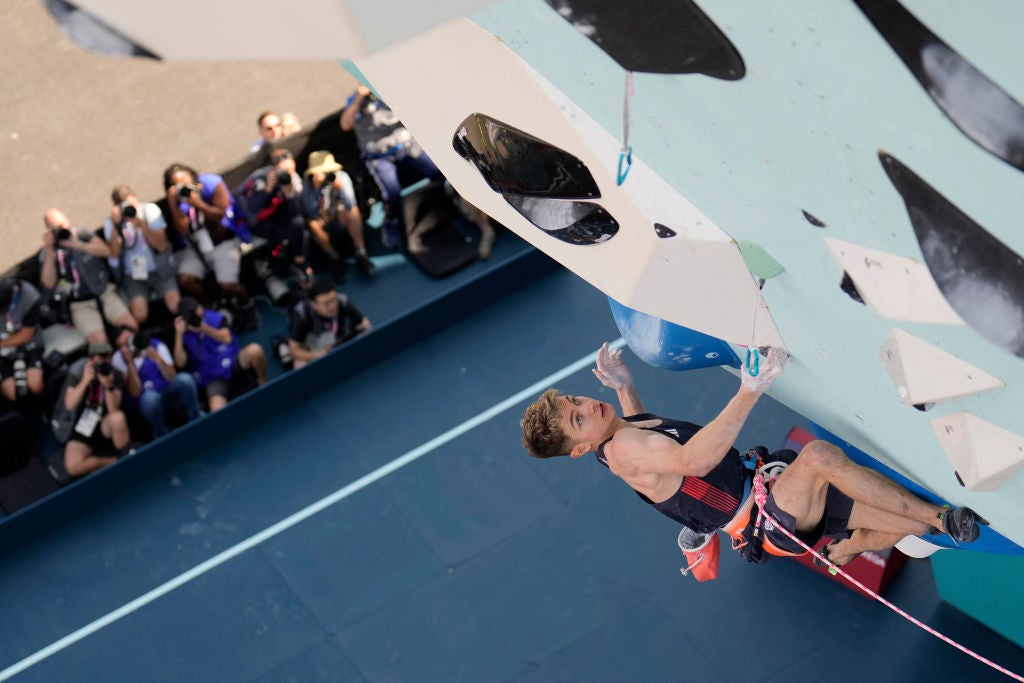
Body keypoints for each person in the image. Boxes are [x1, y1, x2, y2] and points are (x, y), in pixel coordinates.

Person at [520, 343, 987, 568]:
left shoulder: (617, 436)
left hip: (767, 490)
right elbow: (692, 463)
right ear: (580, 449)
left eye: (575, 401)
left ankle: (848, 546)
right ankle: (943, 517)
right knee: (821, 456)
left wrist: (626, 388)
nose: (586, 406)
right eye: (577, 419)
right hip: (767, 519)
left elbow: (651, 442)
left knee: (906, 526)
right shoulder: (619, 451)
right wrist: (750, 389)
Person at [339, 85, 443, 248]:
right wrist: (359, 97)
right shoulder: (358, 100)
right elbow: (346, 124)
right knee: (392, 192)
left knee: (438, 171)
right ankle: (392, 222)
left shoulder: (392, 88)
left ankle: (441, 203)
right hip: (379, 155)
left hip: (407, 146)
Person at [163, 163, 257, 329]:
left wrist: (197, 204)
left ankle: (247, 305)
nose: (183, 185)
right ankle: (213, 305)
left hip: (223, 241)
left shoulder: (211, 184)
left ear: (193, 177)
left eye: (185, 180)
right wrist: (172, 204)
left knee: (227, 284)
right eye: (177, 183)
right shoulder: (178, 199)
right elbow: (183, 230)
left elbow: (221, 214)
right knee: (185, 280)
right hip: (197, 246)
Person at [39, 208, 137, 343]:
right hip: (80, 303)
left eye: (63, 224)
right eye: (57, 228)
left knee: (131, 327)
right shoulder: (48, 252)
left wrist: (77, 245)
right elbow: (48, 283)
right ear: (49, 230)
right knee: (100, 344)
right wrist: (50, 251)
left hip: (104, 292)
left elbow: (106, 251)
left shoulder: (82, 234)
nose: (62, 229)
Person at [102, 184, 180, 325]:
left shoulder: (149, 210)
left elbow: (161, 246)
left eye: (131, 205)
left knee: (175, 306)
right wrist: (115, 227)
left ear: (136, 199)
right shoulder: (112, 222)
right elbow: (113, 254)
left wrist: (142, 225)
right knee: (140, 315)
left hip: (160, 270)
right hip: (134, 276)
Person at [172, 296, 266, 411]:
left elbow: (227, 339)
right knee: (216, 408)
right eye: (190, 315)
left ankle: (263, 384)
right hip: (213, 378)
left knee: (255, 350)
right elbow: (180, 362)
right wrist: (178, 335)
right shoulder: (184, 335)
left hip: (232, 363)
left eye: (196, 310)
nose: (196, 314)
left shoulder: (215, 318)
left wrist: (203, 328)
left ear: (200, 307)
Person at [52, 340, 131, 478]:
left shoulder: (114, 374)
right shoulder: (78, 372)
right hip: (82, 423)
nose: (101, 361)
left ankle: (127, 455)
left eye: (105, 357)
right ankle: (111, 462)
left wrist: (108, 386)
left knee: (118, 418)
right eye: (97, 358)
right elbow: (70, 404)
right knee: (73, 466)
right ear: (90, 359)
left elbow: (114, 409)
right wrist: (85, 381)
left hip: (105, 422)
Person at [238, 148, 312, 285]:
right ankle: (281, 264)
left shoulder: (291, 179)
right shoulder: (260, 179)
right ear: (274, 168)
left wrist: (289, 193)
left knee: (299, 225)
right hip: (258, 221)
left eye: (290, 169)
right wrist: (267, 190)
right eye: (284, 170)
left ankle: (300, 263)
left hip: (278, 215)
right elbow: (252, 209)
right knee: (284, 233)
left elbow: (295, 211)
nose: (287, 174)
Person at [300, 150, 375, 282]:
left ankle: (361, 253)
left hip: (339, 217)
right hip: (322, 220)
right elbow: (311, 211)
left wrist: (339, 188)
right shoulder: (307, 184)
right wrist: (317, 188)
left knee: (353, 212)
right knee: (312, 223)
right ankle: (334, 257)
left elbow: (350, 203)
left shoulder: (341, 176)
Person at [113, 328, 201, 439]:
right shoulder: (119, 359)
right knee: (150, 398)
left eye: (129, 340)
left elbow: (172, 377)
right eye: (124, 344)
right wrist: (130, 363)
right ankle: (162, 434)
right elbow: (135, 392)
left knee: (185, 379)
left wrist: (157, 358)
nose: (129, 345)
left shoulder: (155, 345)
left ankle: (196, 418)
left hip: (168, 392)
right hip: (147, 404)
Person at [287, 280, 371, 369]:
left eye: (333, 300)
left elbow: (363, 323)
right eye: (326, 304)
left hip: (340, 337)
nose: (332, 307)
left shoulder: (342, 300)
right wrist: (318, 355)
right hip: (315, 347)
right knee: (299, 364)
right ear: (314, 305)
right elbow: (294, 350)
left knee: (367, 329)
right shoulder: (301, 313)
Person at [0, 278, 45, 406]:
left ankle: (43, 407)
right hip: (3, 352)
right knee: (11, 393)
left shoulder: (30, 296)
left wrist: (1, 344)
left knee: (35, 384)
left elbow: (26, 335)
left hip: (28, 343)